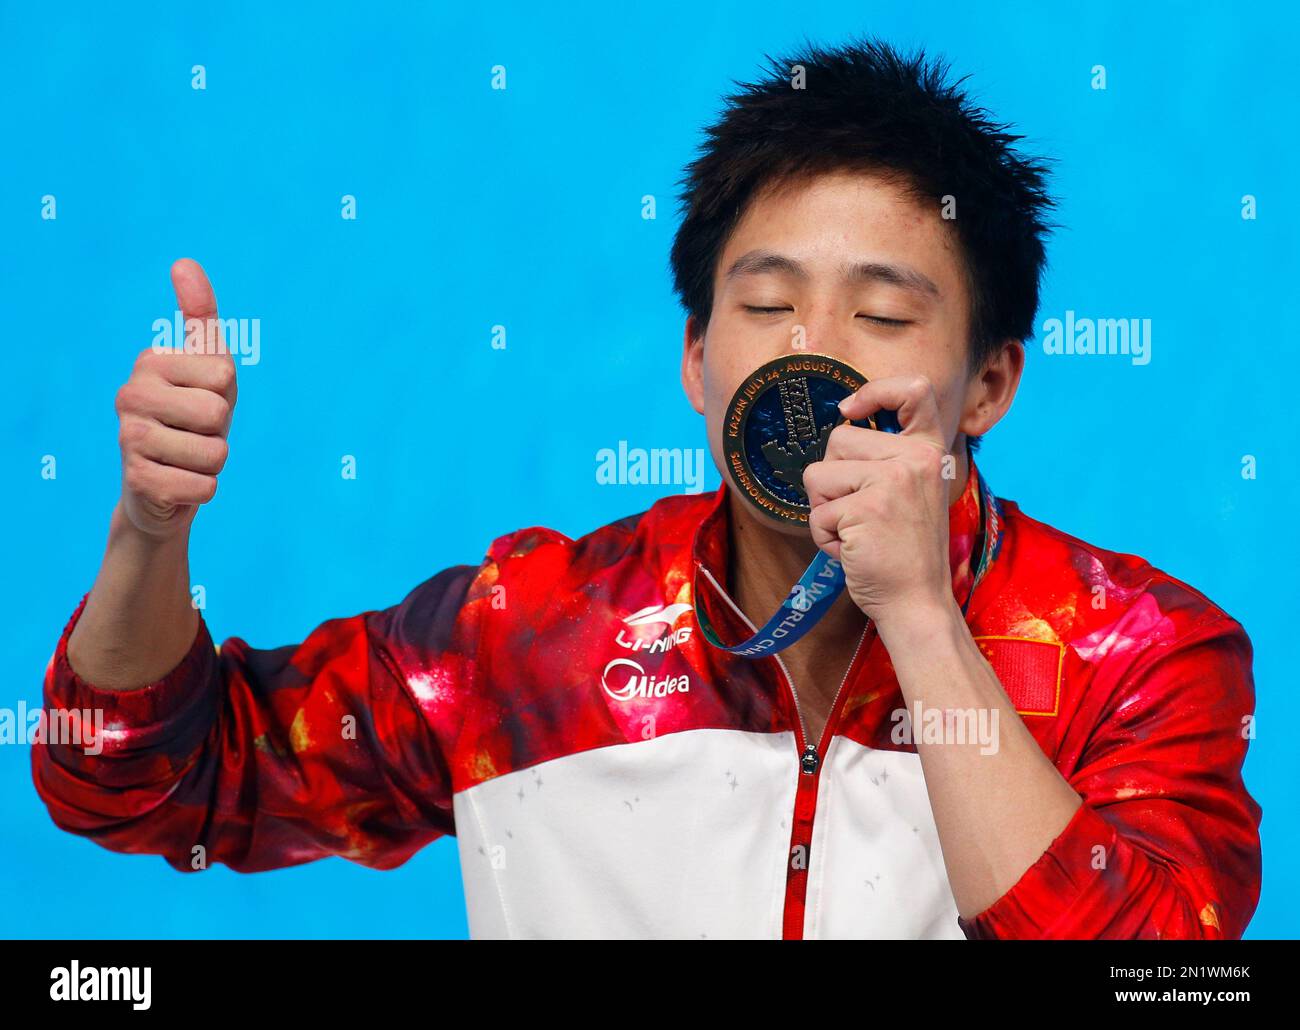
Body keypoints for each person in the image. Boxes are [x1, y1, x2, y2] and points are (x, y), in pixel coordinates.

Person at [32, 37, 1261, 939]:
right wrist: (149, 535)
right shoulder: (528, 638)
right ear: (694, 356)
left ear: (989, 381)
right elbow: (146, 785)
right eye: (766, 305)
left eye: (882, 314)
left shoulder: (1138, 653)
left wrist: (926, 624)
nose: (806, 356)